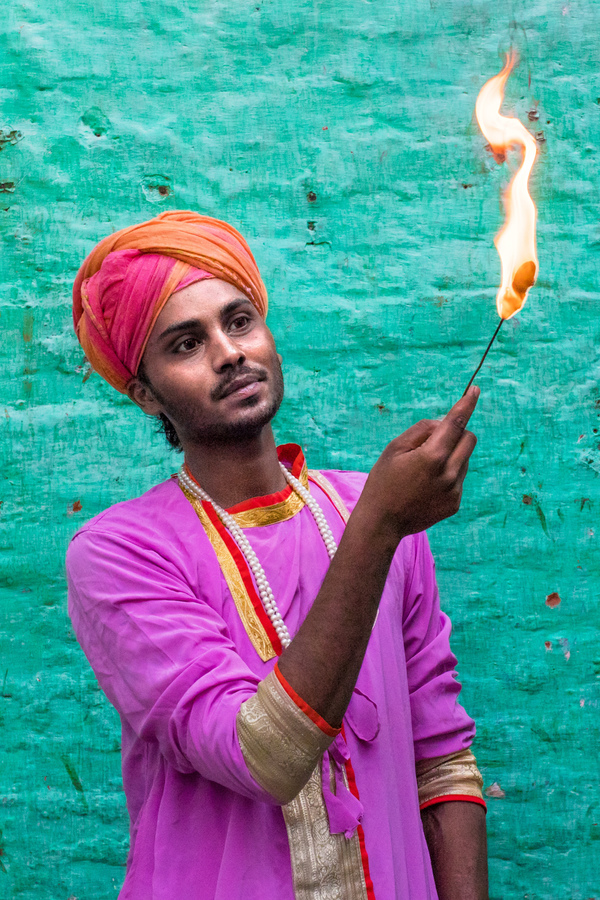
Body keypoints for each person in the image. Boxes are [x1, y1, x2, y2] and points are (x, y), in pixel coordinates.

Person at [67, 210, 488, 900]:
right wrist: (379, 527)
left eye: (239, 322)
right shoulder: (118, 554)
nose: (228, 353)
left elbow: (440, 758)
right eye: (184, 344)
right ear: (146, 395)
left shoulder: (371, 508)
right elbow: (261, 755)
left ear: (271, 340)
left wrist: (379, 520)